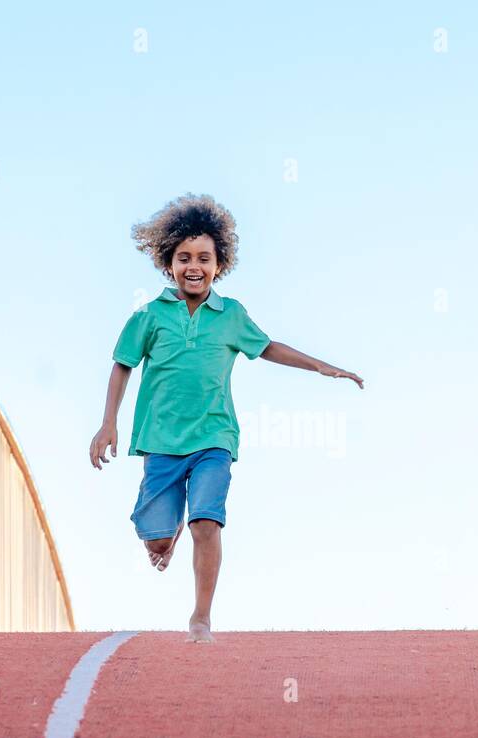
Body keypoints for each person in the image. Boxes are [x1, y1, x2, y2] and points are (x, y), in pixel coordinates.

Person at [89, 193, 363, 643]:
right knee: (157, 542)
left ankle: (201, 616)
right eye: (183, 258)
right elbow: (122, 364)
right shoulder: (149, 315)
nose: (193, 266)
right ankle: (167, 529)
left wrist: (321, 366)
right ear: (168, 264)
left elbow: (268, 346)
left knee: (207, 522)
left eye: (204, 258)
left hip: (215, 437)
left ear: (219, 264)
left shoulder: (230, 314)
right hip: (160, 440)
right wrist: (108, 423)